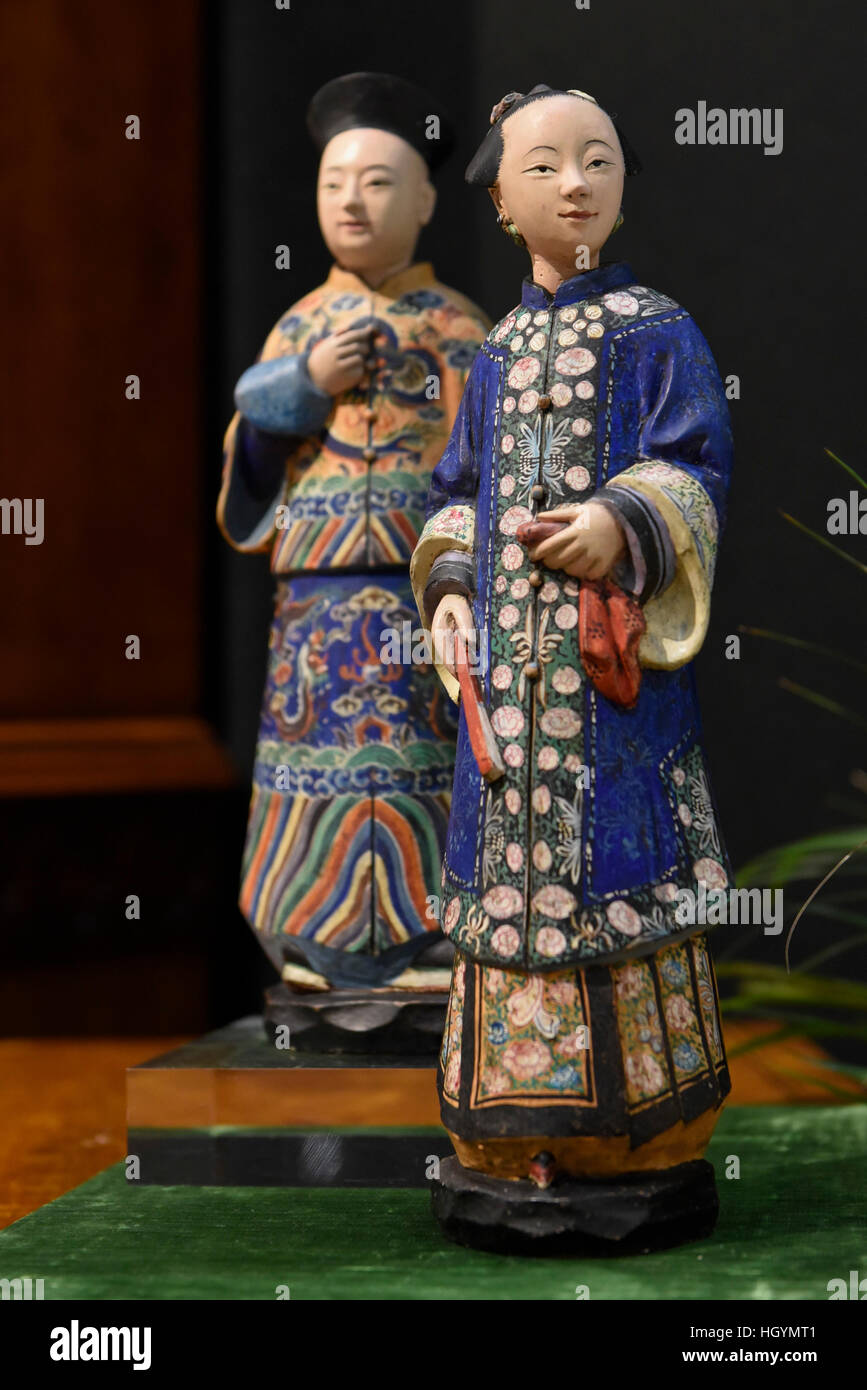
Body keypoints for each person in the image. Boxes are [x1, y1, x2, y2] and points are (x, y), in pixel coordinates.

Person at [410, 85, 733, 1186]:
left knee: (623, 865)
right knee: (507, 873)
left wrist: (620, 520)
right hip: (504, 687)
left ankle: (645, 1124)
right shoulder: (494, 355)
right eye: (544, 167)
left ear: (626, 186)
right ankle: (504, 1129)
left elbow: (695, 466)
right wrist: (451, 591)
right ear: (501, 199)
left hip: (610, 689)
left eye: (597, 160)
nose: (576, 183)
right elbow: (456, 491)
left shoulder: (661, 332)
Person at [218, 73, 489, 998]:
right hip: (317, 602)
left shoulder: (460, 329)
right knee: (312, 768)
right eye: (336, 182)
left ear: (423, 198)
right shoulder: (300, 324)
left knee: (430, 763)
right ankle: (311, 941)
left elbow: (491, 467)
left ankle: (436, 940)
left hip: (429, 599)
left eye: (378, 181)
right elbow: (250, 452)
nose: (352, 200)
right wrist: (305, 381)